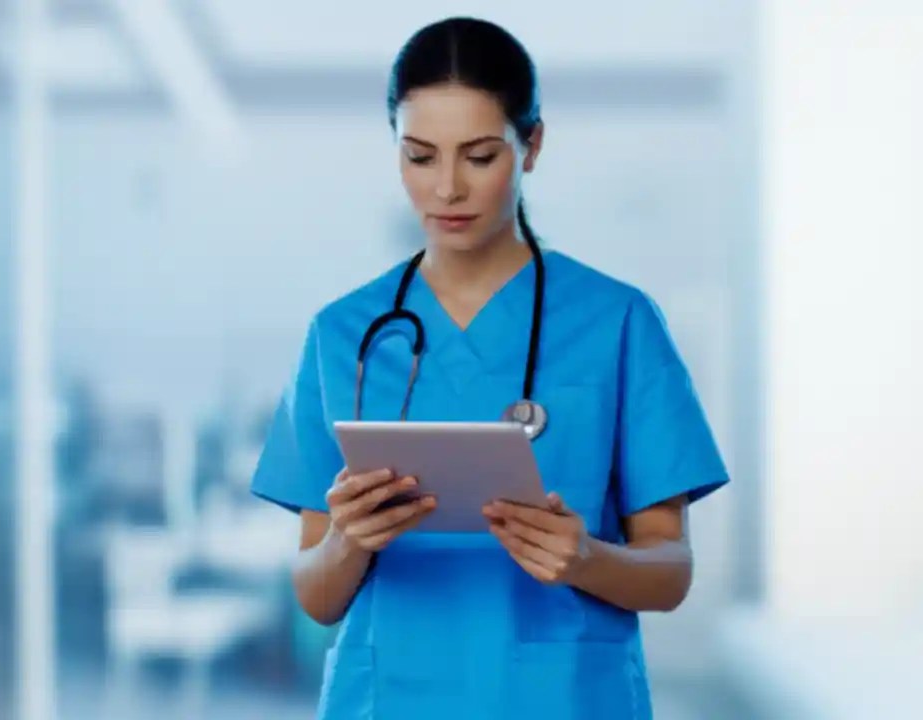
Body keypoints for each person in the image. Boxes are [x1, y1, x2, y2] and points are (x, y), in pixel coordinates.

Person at [251, 16, 730, 720]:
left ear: (531, 145)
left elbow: (670, 570)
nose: (446, 188)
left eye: (478, 156)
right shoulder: (342, 335)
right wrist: (348, 542)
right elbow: (317, 597)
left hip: (562, 697)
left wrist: (587, 559)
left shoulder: (617, 323)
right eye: (419, 156)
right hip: (390, 699)